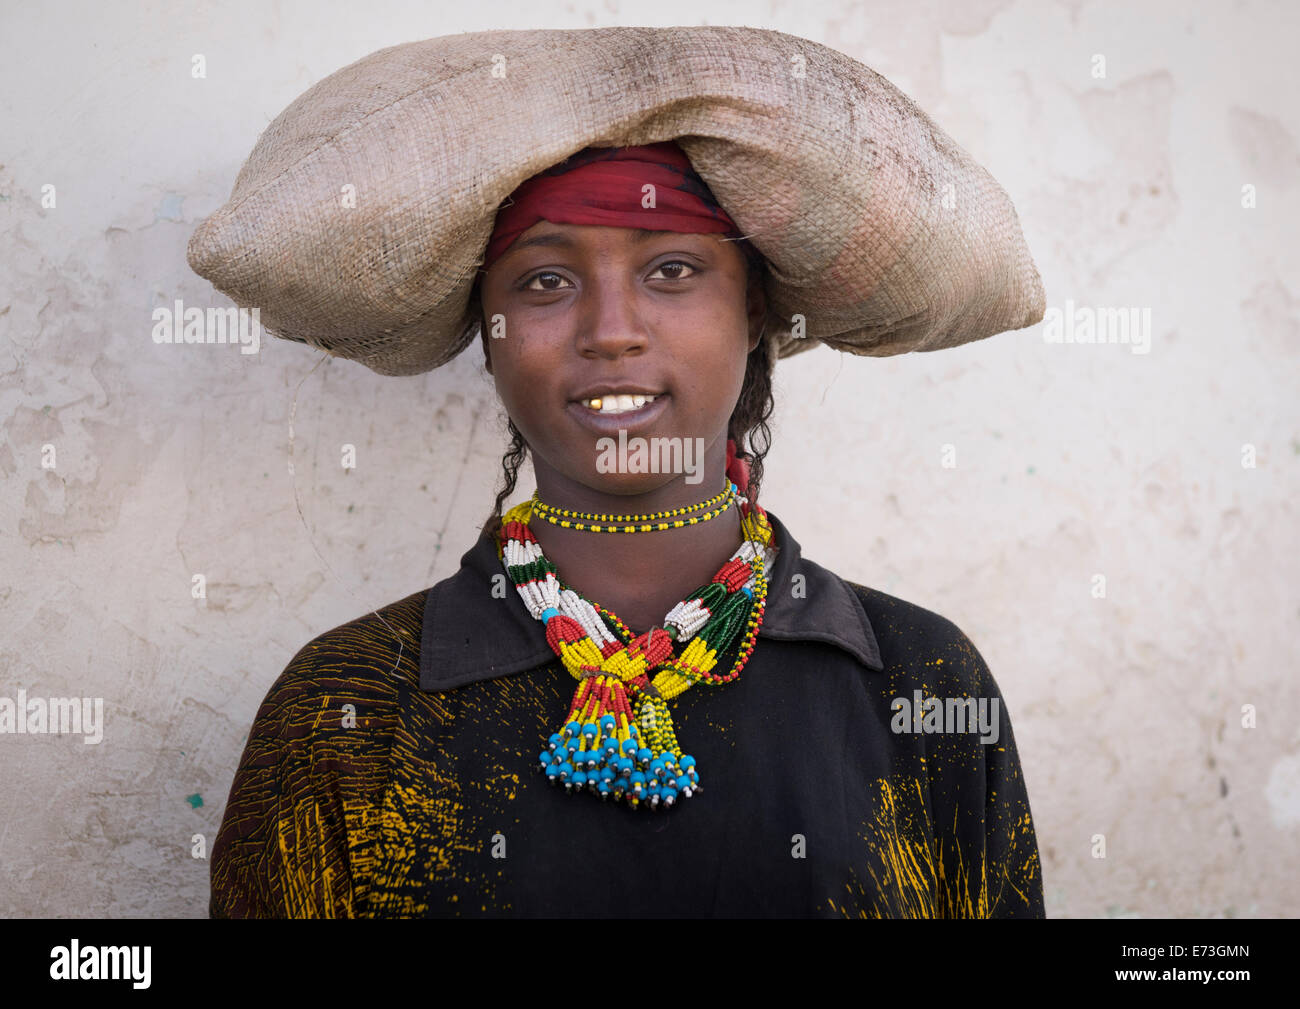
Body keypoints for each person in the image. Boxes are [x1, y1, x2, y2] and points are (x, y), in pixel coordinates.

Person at [191, 26, 1047, 917]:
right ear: (487, 332)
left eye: (672, 269)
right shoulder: (347, 709)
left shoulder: (923, 685)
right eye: (545, 282)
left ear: (753, 313)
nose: (610, 329)